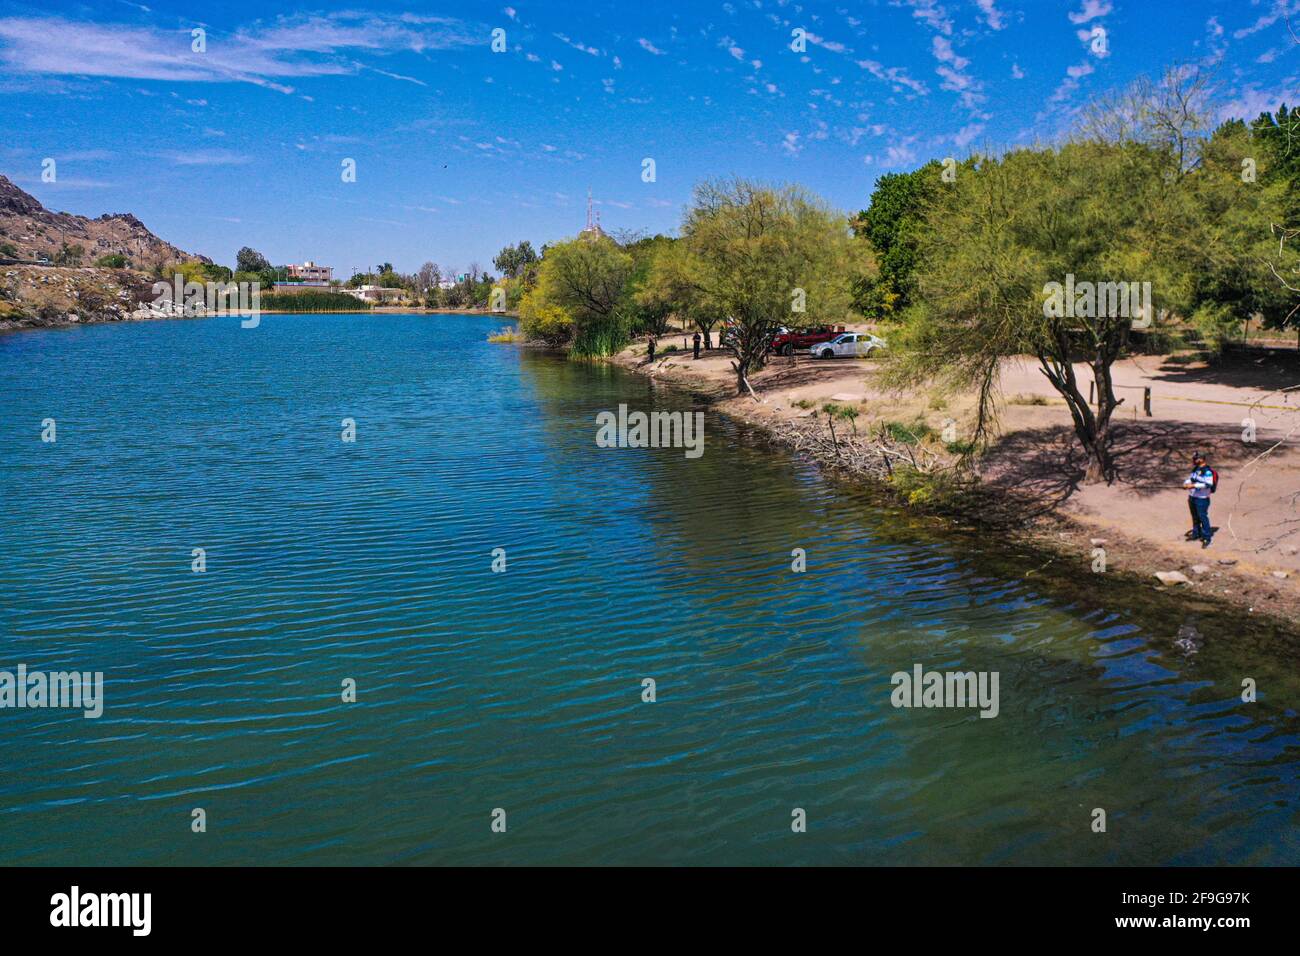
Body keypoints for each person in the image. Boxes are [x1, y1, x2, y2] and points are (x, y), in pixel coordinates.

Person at [1183, 451, 1216, 547]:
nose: (1193, 460)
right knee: (1195, 517)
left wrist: (1193, 485)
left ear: (1201, 459)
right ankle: (1196, 533)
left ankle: (1207, 538)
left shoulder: (1208, 471)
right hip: (1192, 497)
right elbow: (1191, 478)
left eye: (1195, 459)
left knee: (1202, 517)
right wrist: (1186, 483)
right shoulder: (1196, 469)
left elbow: (1208, 484)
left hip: (1202, 499)